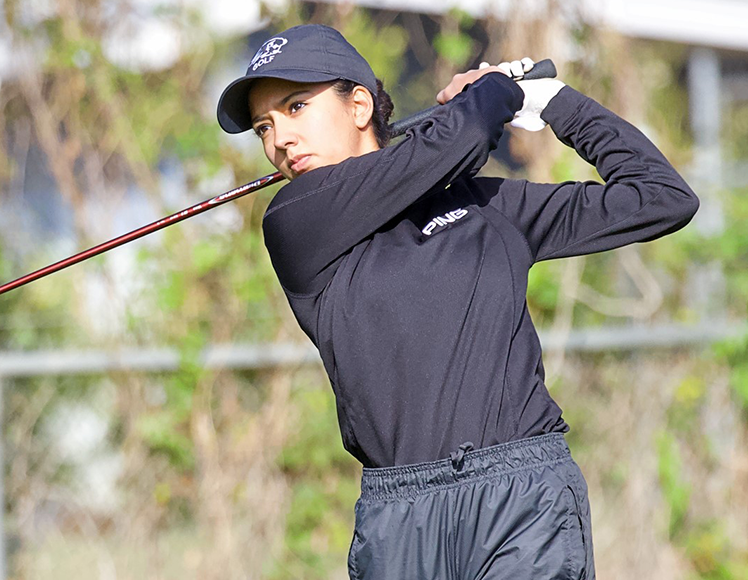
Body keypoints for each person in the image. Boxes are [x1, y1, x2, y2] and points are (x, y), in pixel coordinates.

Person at [215, 23, 698, 580]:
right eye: (263, 127)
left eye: (296, 107)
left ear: (358, 106)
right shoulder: (297, 220)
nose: (280, 139)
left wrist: (554, 102)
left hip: (523, 498)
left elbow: (661, 198)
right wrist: (497, 92)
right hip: (402, 516)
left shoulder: (485, 206)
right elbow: (462, 138)